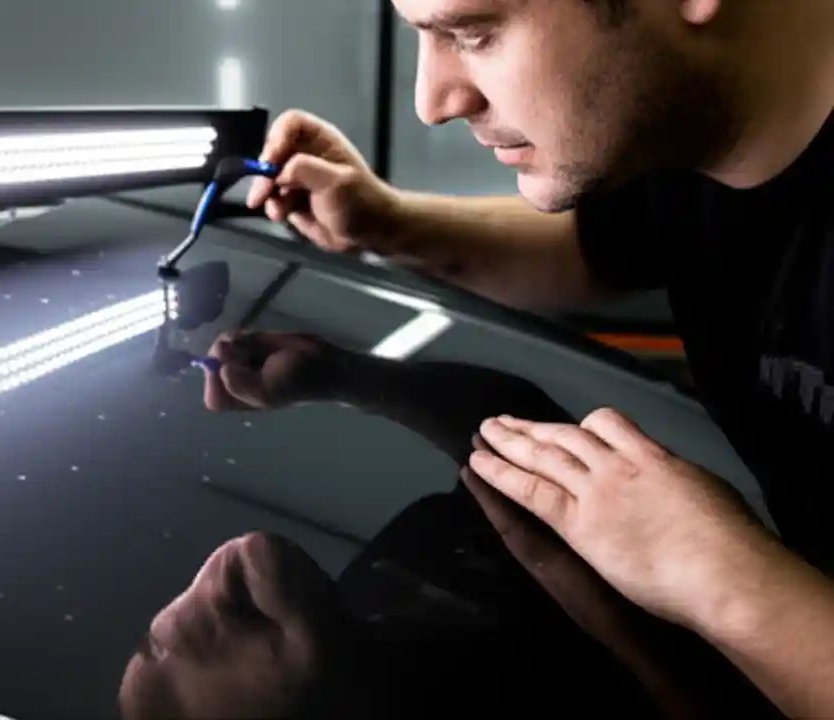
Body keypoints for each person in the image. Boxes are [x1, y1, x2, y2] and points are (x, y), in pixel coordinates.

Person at [236, 0, 834, 715]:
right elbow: (592, 251)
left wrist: (715, 571)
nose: (433, 101)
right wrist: (385, 223)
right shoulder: (696, 134)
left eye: (474, 33)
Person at [121, 345, 777, 718]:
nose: (171, 636)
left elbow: (527, 444)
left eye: (148, 647)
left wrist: (353, 379)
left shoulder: (386, 582)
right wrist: (643, 647)